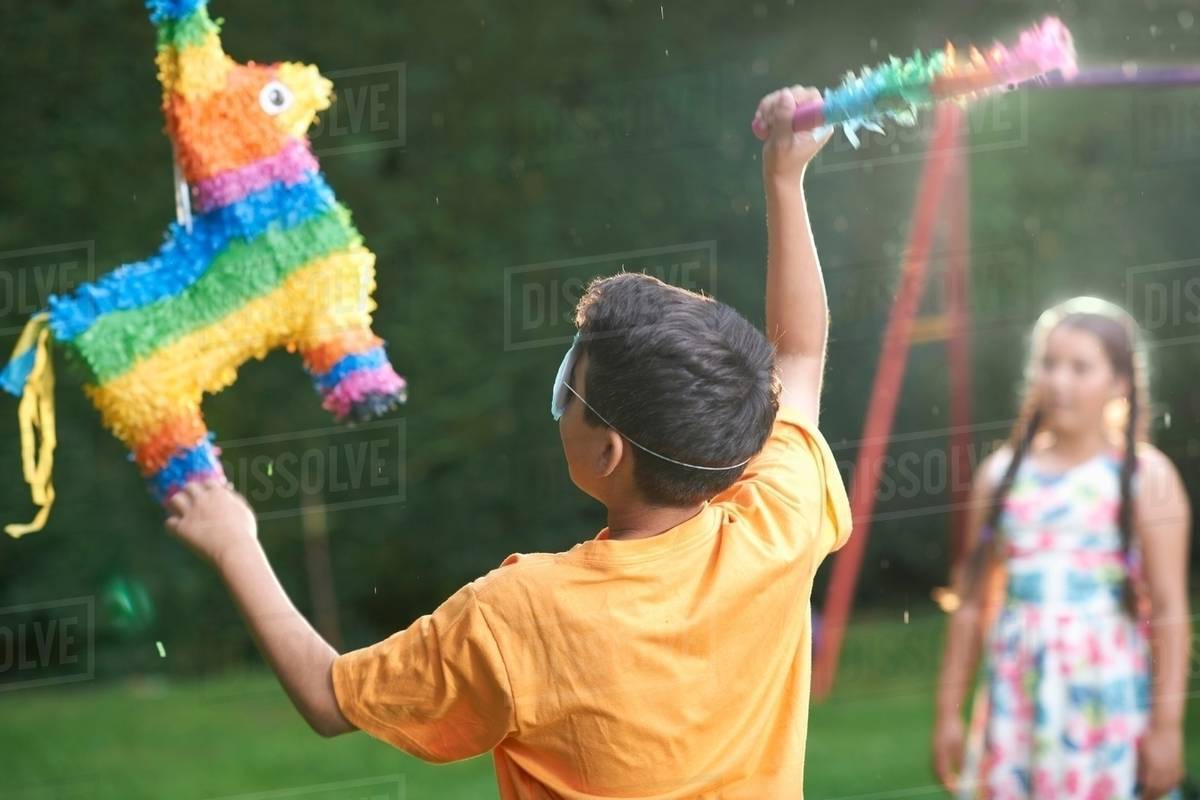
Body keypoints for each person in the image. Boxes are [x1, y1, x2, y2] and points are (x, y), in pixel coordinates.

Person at [163, 85, 852, 798]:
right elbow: (799, 357)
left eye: (570, 386)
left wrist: (233, 540)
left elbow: (328, 698)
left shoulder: (521, 613)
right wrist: (787, 177)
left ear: (609, 452)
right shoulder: (777, 529)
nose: (560, 398)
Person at [931, 297, 1191, 799]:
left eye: (1080, 367)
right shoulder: (1000, 477)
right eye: (1049, 364)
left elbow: (1170, 609)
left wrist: (1167, 726)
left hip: (1108, 704)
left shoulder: (1146, 478)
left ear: (1119, 383)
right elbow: (969, 607)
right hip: (1016, 704)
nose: (1059, 381)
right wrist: (947, 714)